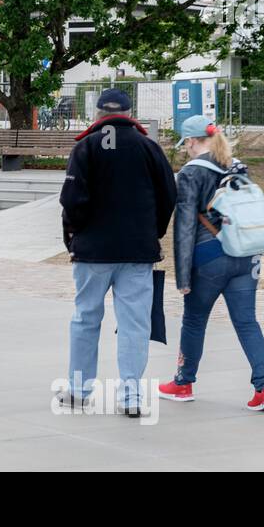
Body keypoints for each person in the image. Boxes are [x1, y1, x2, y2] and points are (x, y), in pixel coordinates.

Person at [58, 88, 176, 416]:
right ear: (129, 114)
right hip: (137, 250)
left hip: (93, 250)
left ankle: (80, 390)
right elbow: (169, 195)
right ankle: (131, 396)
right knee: (135, 324)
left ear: (98, 114)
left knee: (85, 318)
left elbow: (71, 199)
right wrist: (153, 233)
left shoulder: (86, 146)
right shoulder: (148, 147)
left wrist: (74, 235)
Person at [157, 115, 264, 412]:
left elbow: (185, 226)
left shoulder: (190, 173)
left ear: (193, 141)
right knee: (247, 322)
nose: (185, 148)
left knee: (195, 320)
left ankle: (183, 383)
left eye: (186, 143)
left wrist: (182, 278)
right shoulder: (237, 166)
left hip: (209, 257)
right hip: (246, 253)